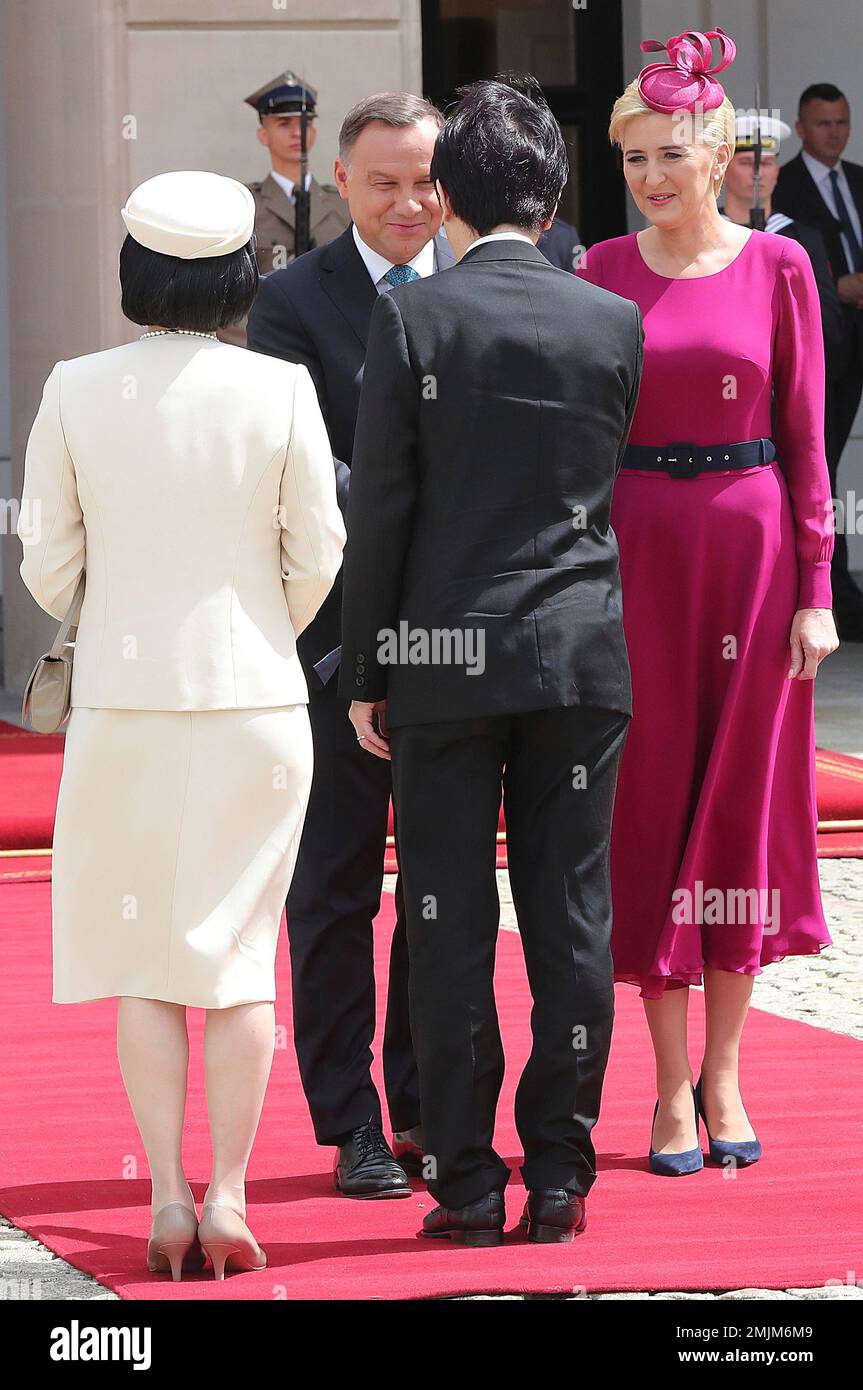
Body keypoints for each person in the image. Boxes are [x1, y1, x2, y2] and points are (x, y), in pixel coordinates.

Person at [16, 170, 345, 1278]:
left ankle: (164, 1196)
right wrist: (258, 623)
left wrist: (117, 613)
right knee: (243, 961)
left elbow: (47, 562)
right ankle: (233, 1191)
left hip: (124, 701)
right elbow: (320, 554)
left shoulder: (74, 385)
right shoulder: (282, 388)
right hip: (256, 699)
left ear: (131, 273)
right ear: (240, 278)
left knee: (145, 962)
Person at [340, 74, 642, 1245]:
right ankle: (559, 1173)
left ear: (450, 197)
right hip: (574, 655)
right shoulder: (611, 319)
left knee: (444, 915)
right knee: (570, 918)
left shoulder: (412, 318)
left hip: (443, 658)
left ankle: (465, 1179)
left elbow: (386, 516)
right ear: (556, 195)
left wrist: (367, 667)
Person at [576, 28, 838, 1177]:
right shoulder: (594, 269)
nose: (651, 178)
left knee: (738, 809)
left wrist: (816, 590)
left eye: (671, 155)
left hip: (753, 550)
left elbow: (805, 440)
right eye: (635, 158)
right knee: (647, 803)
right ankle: (662, 1082)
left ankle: (724, 1070)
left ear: (719, 150)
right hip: (634, 559)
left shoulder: (778, 268)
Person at [246, 93, 455, 1198]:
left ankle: (423, 1107)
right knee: (335, 888)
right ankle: (349, 1121)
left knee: (438, 882)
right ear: (338, 179)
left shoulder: (477, 282)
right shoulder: (289, 301)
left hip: (457, 642)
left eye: (425, 179)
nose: (409, 201)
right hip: (331, 642)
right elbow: (296, 463)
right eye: (383, 182)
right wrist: (427, 516)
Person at [774, 83, 863, 640]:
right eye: (824, 124)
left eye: (842, 122)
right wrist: (842, 286)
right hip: (832, 344)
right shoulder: (780, 186)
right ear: (803, 129)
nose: (835, 132)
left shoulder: (858, 178)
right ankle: (837, 592)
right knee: (821, 463)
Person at [219, 70, 350, 347]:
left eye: (304, 123)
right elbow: (229, 293)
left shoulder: (344, 204)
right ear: (263, 134)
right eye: (283, 123)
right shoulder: (243, 208)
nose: (296, 132)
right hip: (262, 346)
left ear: (313, 132)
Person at [723, 114, 847, 383]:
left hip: (785, 378)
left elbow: (827, 322)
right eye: (746, 163)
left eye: (766, 163)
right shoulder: (703, 234)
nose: (758, 173)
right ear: (722, 168)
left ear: (778, 170)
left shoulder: (802, 239)